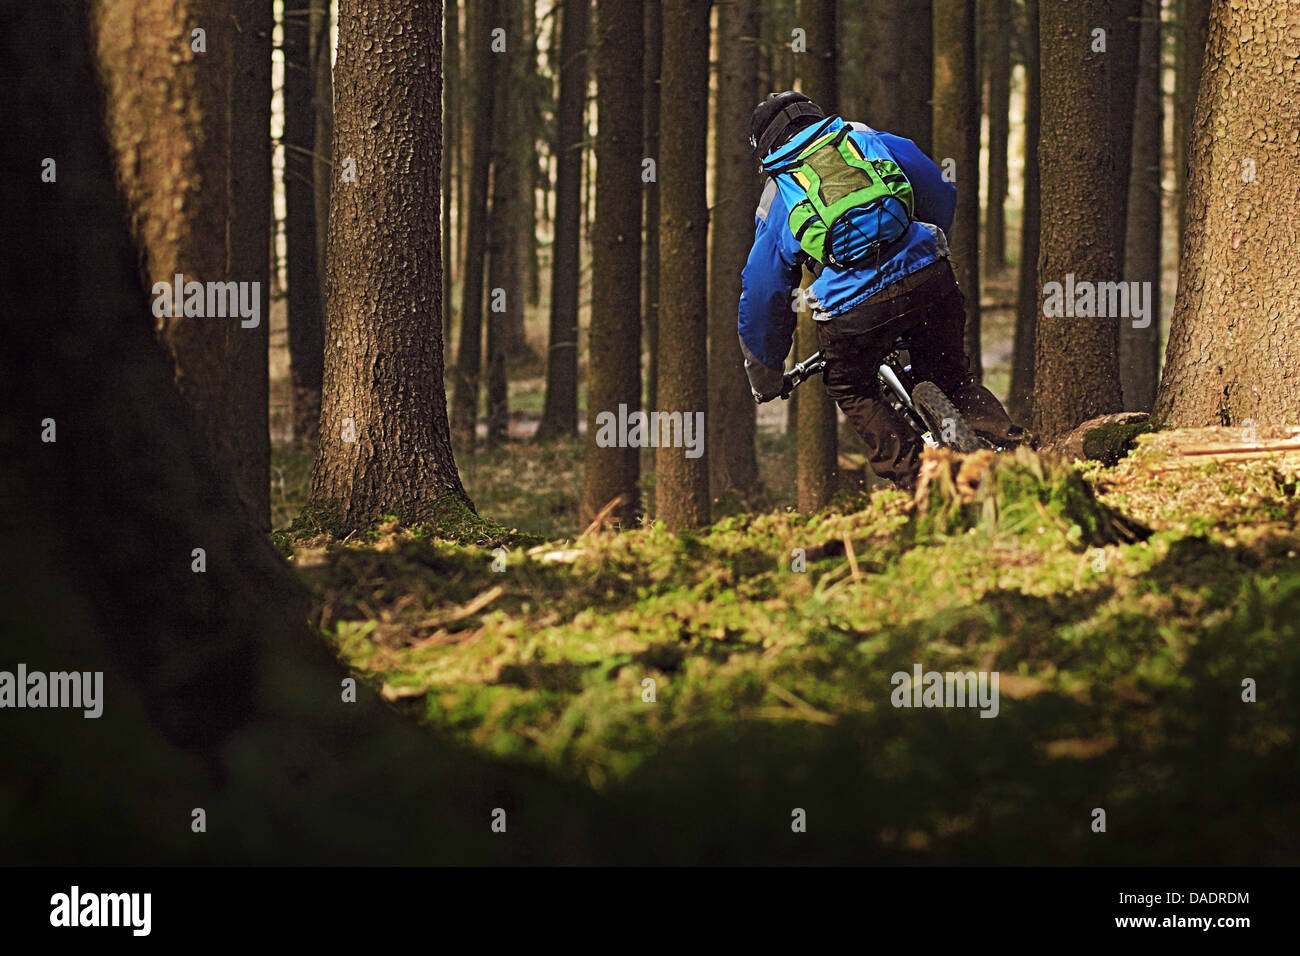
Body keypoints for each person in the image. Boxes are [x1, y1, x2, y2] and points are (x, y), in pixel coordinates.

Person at [738, 91, 1024, 491]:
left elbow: (763, 292)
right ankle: (1009, 454)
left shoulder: (778, 193)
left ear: (764, 147)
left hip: (853, 314)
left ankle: (919, 484)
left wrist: (766, 377)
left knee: (853, 386)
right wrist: (929, 249)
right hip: (930, 280)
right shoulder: (863, 138)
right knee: (952, 379)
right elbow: (938, 188)